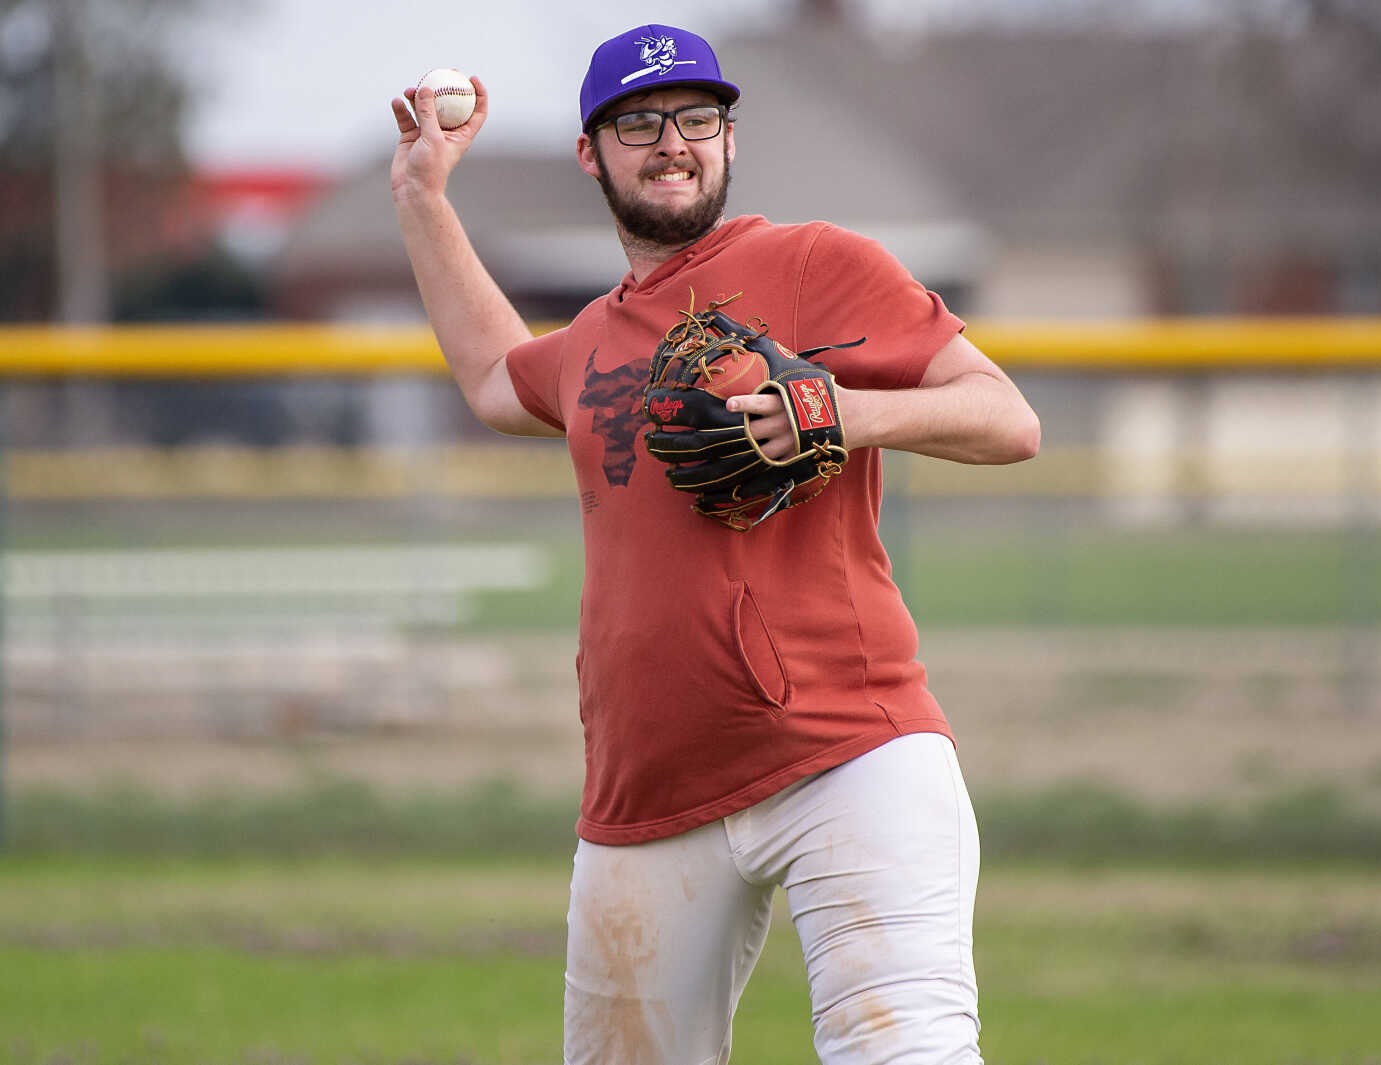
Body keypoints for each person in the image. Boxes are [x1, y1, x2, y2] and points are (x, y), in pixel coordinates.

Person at [390, 23, 1039, 1065]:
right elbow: (489, 377)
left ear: (729, 140)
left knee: (903, 1052)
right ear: (590, 153)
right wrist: (422, 197)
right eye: (638, 123)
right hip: (647, 790)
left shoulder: (814, 262)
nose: (673, 143)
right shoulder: (595, 335)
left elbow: (1006, 420)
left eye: (697, 118)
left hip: (850, 754)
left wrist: (838, 410)